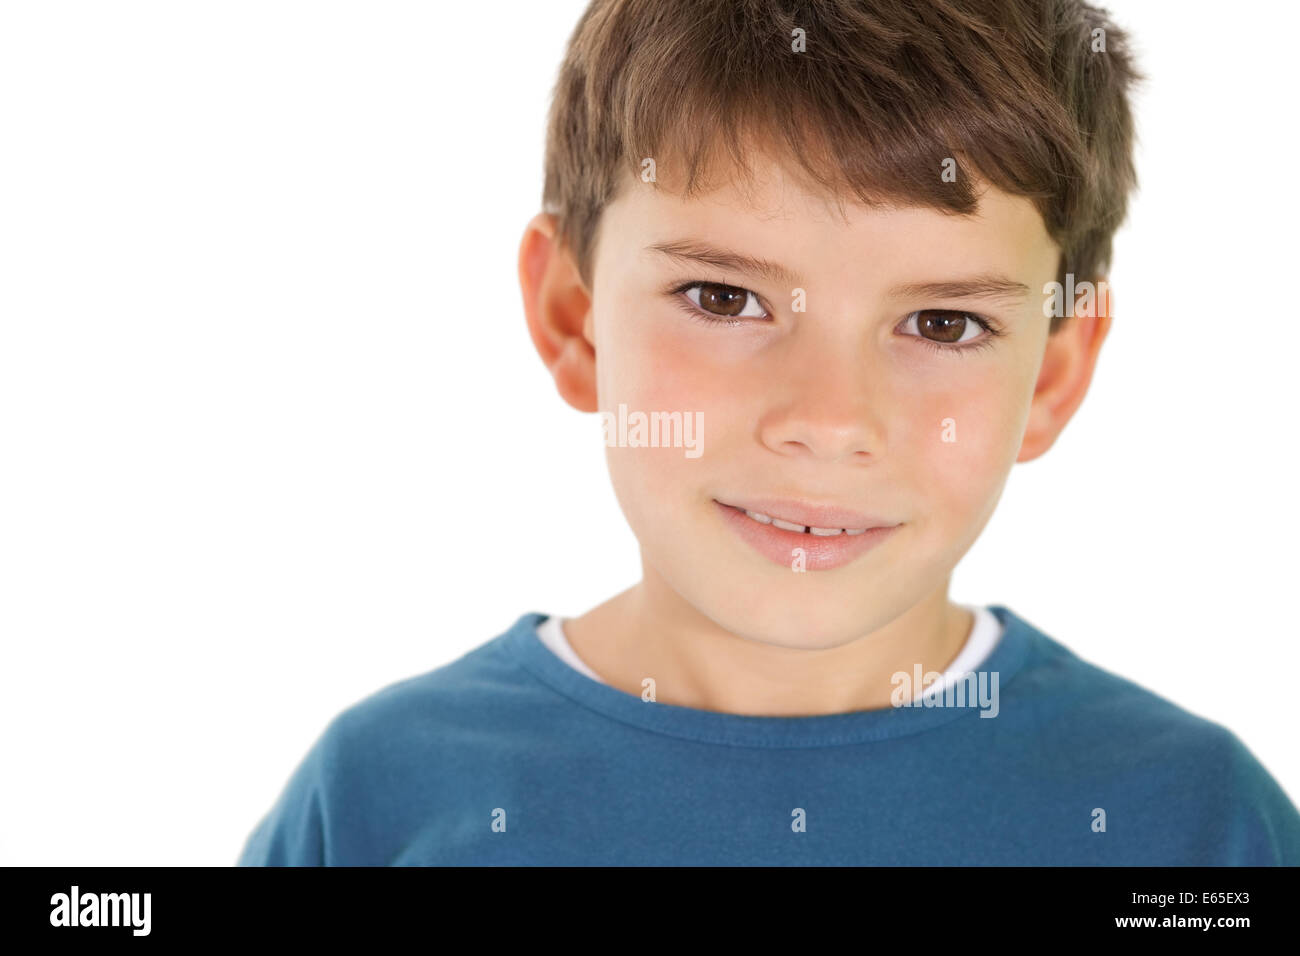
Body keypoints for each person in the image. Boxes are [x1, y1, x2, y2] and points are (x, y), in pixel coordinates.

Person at [237, 0, 1300, 865]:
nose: (827, 420)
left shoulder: (1193, 824)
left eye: (942, 322)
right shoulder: (385, 795)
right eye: (721, 297)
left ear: (1055, 372)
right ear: (574, 317)